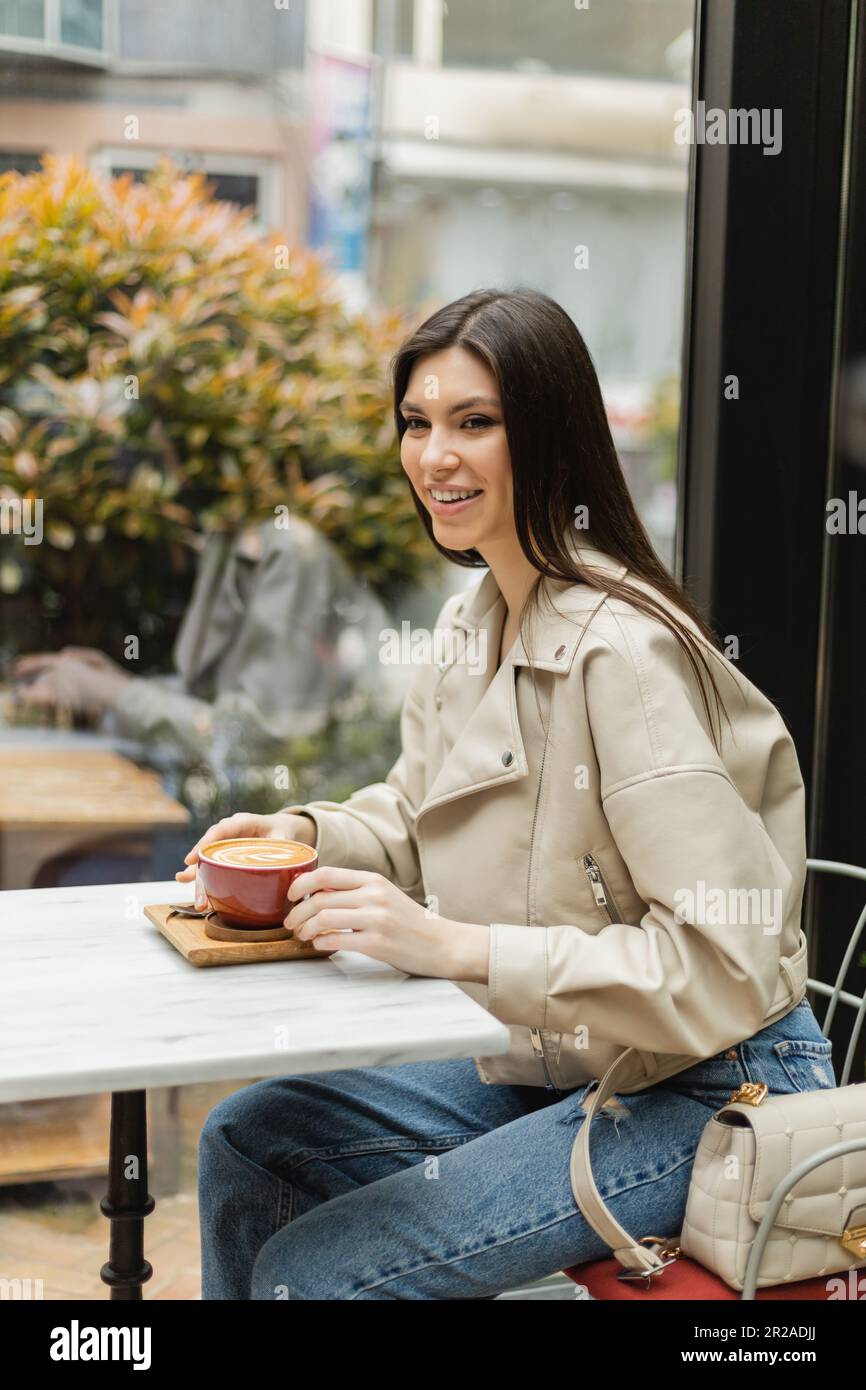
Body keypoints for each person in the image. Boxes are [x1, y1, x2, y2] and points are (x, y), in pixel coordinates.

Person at [177, 288, 835, 1300]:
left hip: (707, 1082)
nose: (434, 455)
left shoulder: (621, 654)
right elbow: (411, 817)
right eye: (416, 422)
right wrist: (304, 834)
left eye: (473, 423)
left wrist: (451, 948)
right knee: (253, 1136)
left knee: (316, 1273)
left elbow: (718, 959)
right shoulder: (474, 620)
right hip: (572, 1062)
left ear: (550, 435)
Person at [14, 512, 390, 767]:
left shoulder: (287, 548)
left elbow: (255, 740)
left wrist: (115, 694)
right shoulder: (228, 539)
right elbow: (216, 706)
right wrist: (114, 687)